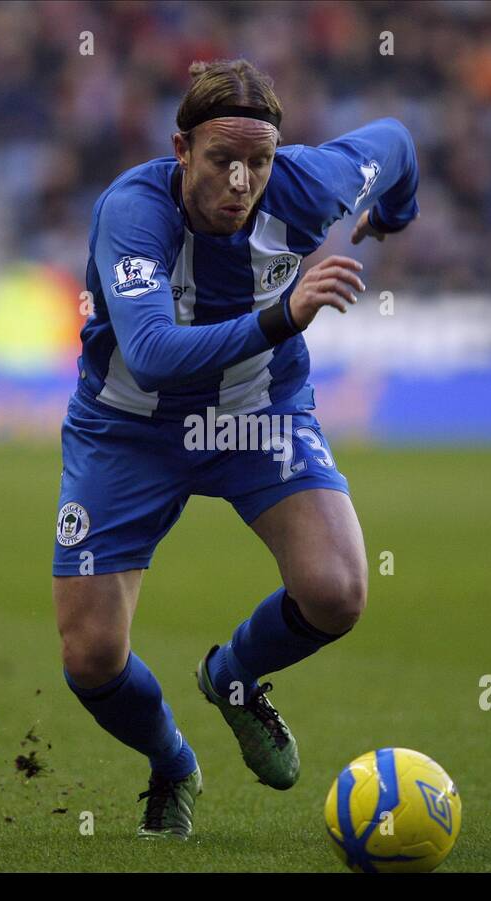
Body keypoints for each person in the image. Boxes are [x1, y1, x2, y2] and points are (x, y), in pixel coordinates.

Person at [52, 58, 419, 839]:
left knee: (338, 592)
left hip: (260, 415)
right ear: (181, 150)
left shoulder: (311, 185)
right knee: (90, 655)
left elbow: (395, 142)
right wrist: (282, 316)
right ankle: (173, 762)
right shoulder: (133, 211)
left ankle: (236, 677)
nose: (242, 181)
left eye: (259, 162)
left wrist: (395, 208)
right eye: (223, 161)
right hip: (132, 428)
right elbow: (149, 350)